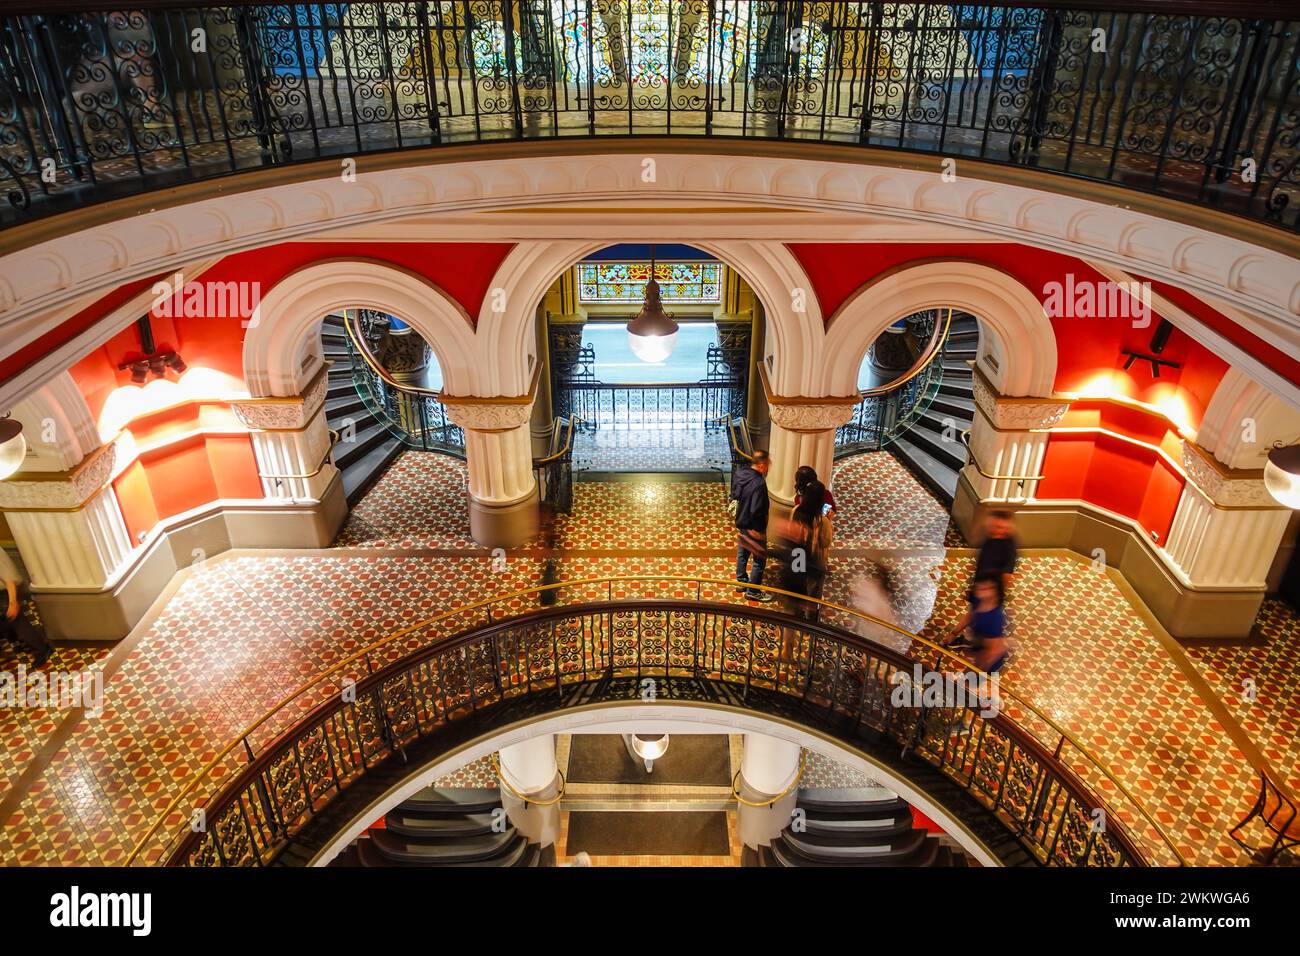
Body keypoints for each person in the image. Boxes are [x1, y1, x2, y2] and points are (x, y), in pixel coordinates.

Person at [943, 572, 1011, 674]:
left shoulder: (995, 618)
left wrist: (978, 668)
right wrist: (954, 633)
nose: (980, 589)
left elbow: (994, 649)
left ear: (996, 592)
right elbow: (970, 615)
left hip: (987, 663)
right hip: (978, 649)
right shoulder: (979, 600)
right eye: (981, 586)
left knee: (970, 686)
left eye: (987, 588)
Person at [731, 448, 772, 602]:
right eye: (768, 464)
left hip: (741, 521)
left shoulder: (740, 473)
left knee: (743, 552)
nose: (769, 467)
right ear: (761, 464)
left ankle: (741, 581)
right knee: (759, 560)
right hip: (754, 527)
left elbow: (735, 494)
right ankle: (753, 591)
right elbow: (757, 510)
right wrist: (758, 531)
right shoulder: (759, 483)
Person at [0, 547, 53, 667]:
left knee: (20, 625)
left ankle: (43, 650)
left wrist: (12, 603)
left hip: (7, 592)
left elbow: (9, 580)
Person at [974, 509, 1018, 595]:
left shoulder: (1009, 546)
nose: (994, 530)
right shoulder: (989, 539)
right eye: (992, 526)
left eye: (999, 527)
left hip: (992, 588)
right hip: (981, 581)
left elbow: (1007, 573)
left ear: (1006, 529)